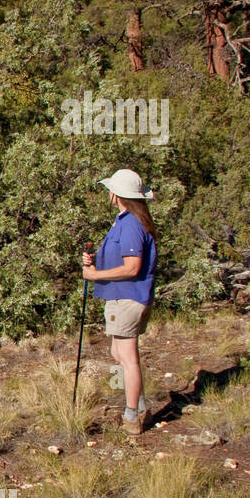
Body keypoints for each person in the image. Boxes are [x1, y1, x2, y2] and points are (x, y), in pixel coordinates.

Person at [82, 168, 157, 436]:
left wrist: (94, 275)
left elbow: (132, 267)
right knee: (119, 354)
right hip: (123, 296)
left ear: (117, 195)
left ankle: (132, 416)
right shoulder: (128, 221)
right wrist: (94, 261)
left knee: (127, 358)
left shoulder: (131, 225)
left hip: (127, 297)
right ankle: (139, 405)